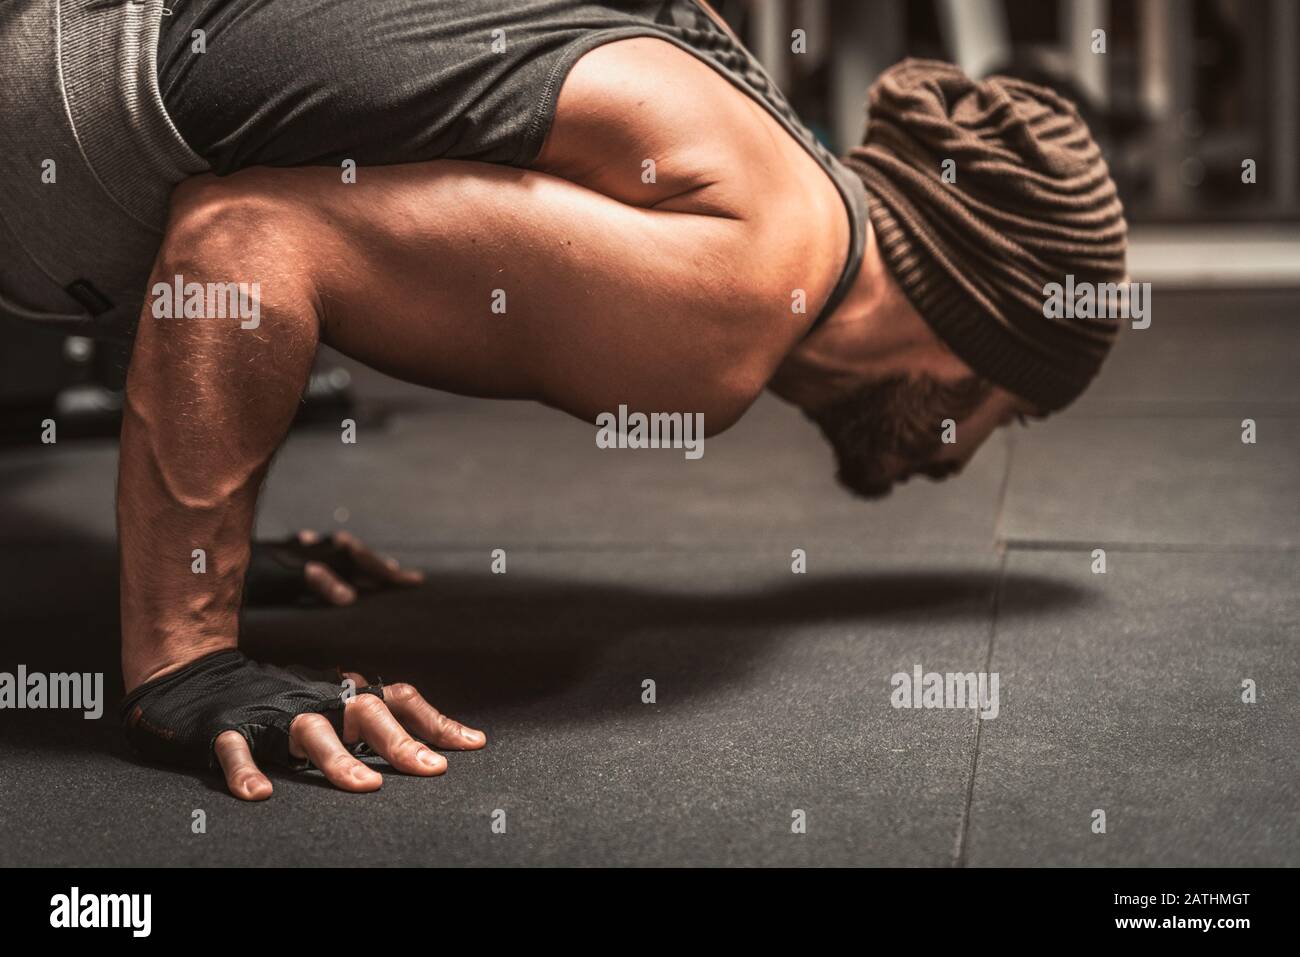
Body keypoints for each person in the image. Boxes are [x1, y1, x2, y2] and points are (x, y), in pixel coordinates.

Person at [0, 0, 1126, 800]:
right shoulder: (744, 288)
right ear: (973, 340)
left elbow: (334, 138)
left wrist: (213, 545)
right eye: (1007, 418)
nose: (960, 460)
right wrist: (192, 650)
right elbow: (244, 245)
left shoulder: (756, 136)